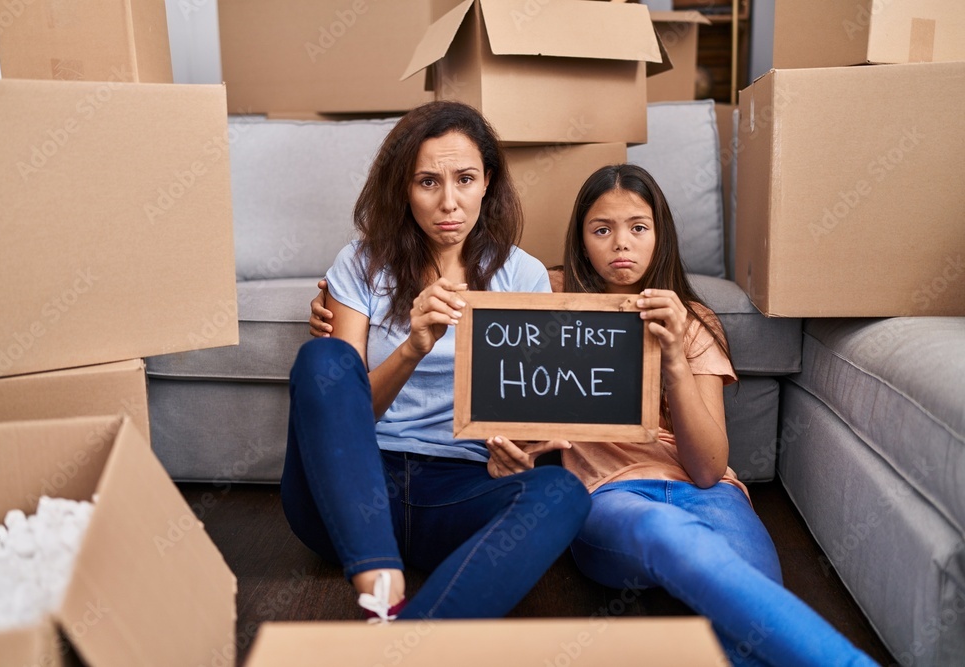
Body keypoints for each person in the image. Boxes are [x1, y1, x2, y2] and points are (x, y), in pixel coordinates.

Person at [311, 164, 878, 665]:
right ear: (581, 242)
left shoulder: (693, 320)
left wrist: (675, 357)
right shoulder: (544, 295)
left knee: (752, 612)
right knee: (674, 537)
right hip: (610, 491)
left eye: (638, 227)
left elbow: (707, 470)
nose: (621, 245)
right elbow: (509, 389)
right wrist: (333, 310)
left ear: (661, 236)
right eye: (601, 230)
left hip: (708, 491)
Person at [283, 100, 590, 623]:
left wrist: (520, 453)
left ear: (488, 181)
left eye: (466, 179)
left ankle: (412, 639)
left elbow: (525, 412)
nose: (449, 202)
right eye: (428, 182)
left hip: (462, 494)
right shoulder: (360, 264)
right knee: (324, 357)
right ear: (403, 187)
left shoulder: (523, 276)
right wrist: (413, 345)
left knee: (563, 492)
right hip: (355, 491)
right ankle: (380, 581)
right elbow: (348, 409)